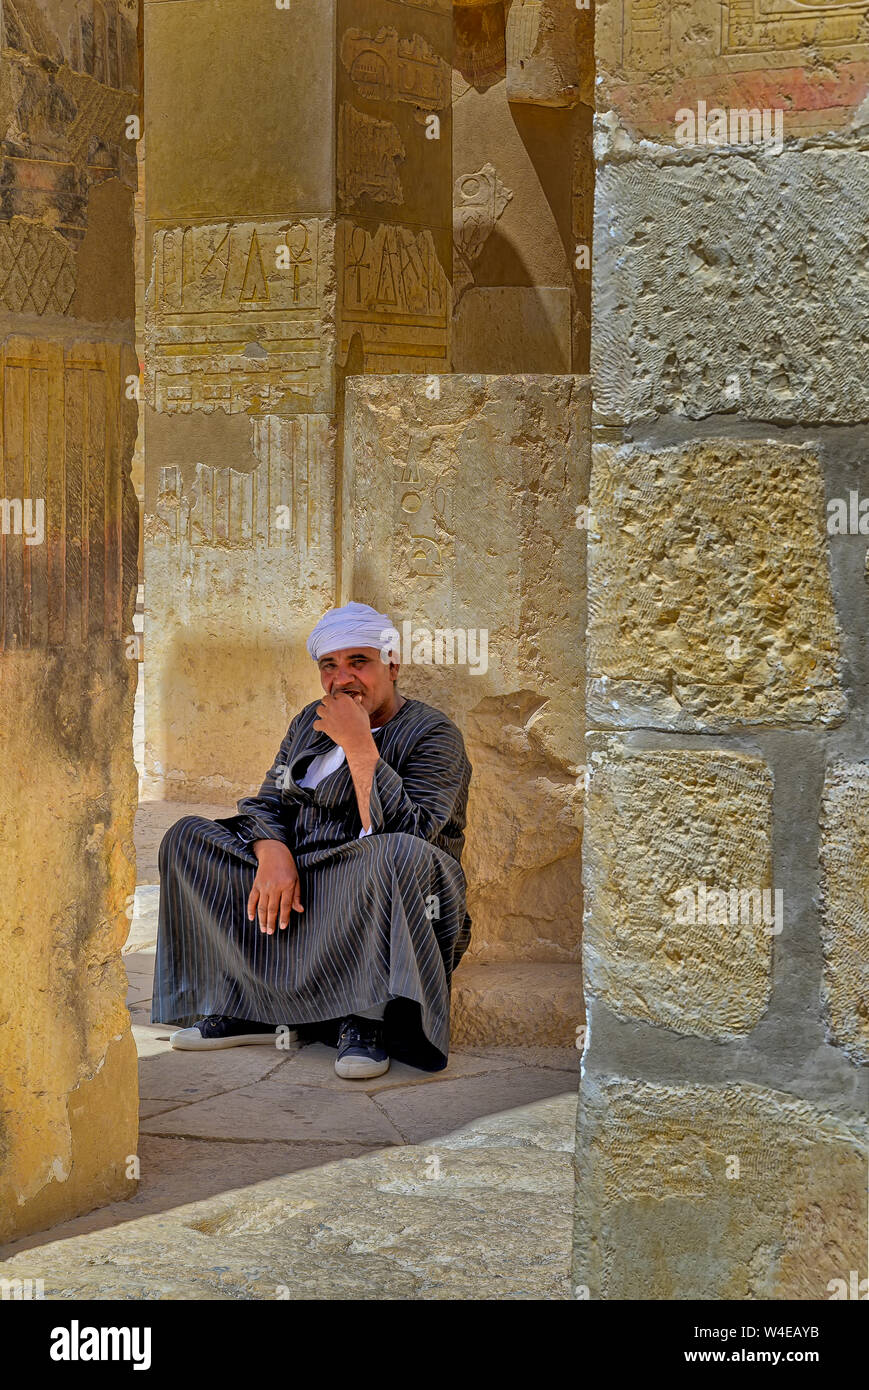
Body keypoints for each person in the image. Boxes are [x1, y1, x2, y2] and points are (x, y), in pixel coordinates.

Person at [151, 601, 473, 1079]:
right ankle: (250, 1005)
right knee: (187, 839)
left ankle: (367, 1018)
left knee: (396, 855)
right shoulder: (309, 721)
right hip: (300, 880)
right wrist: (273, 853)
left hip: (376, 886)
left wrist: (360, 746)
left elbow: (414, 835)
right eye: (329, 665)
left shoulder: (433, 734)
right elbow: (266, 802)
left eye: (358, 662)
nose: (342, 679)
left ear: (393, 665)